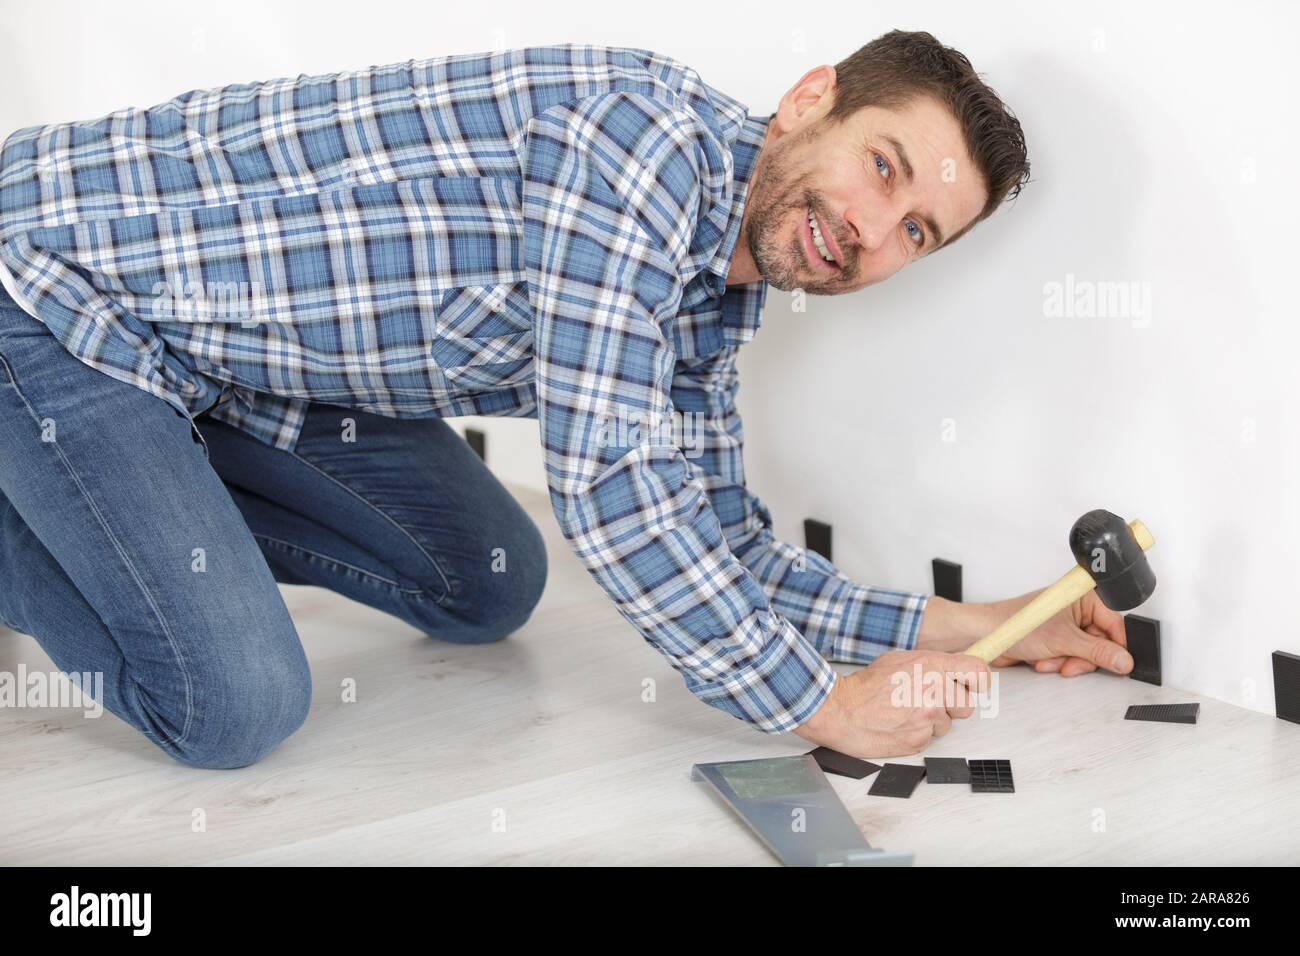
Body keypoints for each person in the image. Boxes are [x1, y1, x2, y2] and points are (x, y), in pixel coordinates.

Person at [0, 31, 1131, 769]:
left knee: (489, 579)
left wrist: (970, 627)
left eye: (916, 233)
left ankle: (118, 508)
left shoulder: (712, 295)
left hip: (219, 364)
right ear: (806, 101)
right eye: (883, 168)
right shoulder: (635, 141)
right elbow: (610, 485)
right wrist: (820, 707)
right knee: (234, 702)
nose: (872, 234)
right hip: (52, 289)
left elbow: (715, 539)